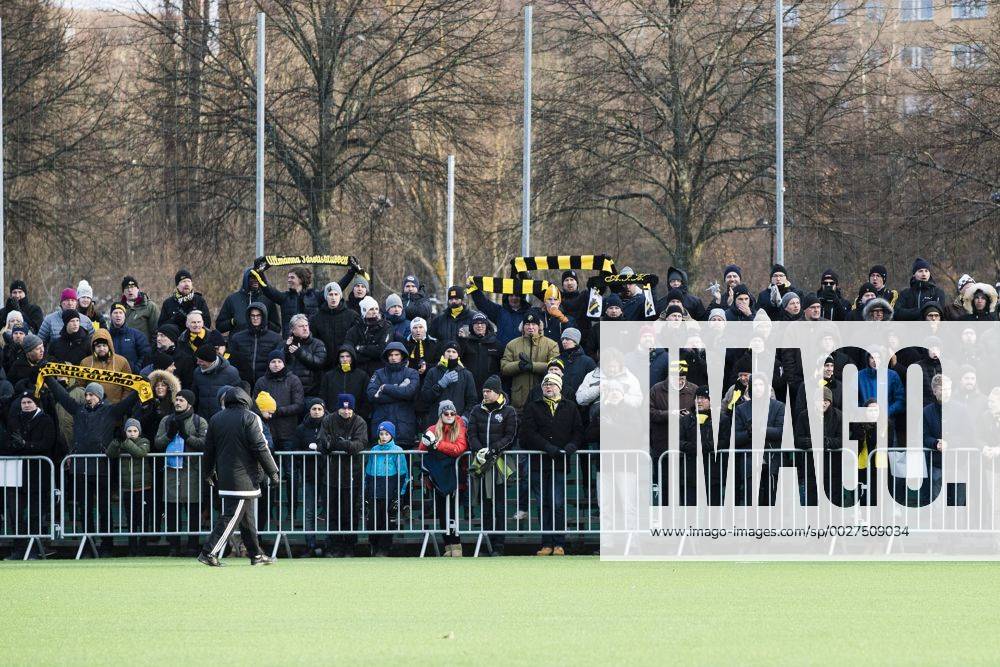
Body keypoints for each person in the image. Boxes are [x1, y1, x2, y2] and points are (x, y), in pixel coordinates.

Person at [46, 378, 141, 555]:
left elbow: (129, 401)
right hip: (81, 467)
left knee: (105, 508)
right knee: (85, 509)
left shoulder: (111, 411)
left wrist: (139, 386)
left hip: (102, 467)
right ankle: (88, 545)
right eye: (87, 394)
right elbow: (62, 395)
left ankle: (107, 546)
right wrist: (48, 378)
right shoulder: (78, 410)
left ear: (99, 396)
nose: (88, 397)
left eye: (91, 394)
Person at [199, 386, 280, 567]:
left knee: (247, 519)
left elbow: (209, 449)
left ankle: (256, 555)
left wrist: (208, 471)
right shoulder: (250, 417)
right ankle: (208, 552)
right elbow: (260, 447)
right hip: (244, 477)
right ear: (246, 401)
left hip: (226, 475)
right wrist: (272, 471)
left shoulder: (216, 418)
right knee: (231, 517)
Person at [521, 373, 583, 556]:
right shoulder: (533, 407)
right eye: (545, 385)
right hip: (540, 463)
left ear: (559, 387)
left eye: (552, 384)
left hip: (560, 462)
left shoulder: (570, 407)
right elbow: (529, 433)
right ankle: (546, 543)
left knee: (557, 503)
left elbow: (578, 431)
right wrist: (547, 447)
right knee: (543, 503)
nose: (548, 387)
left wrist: (572, 445)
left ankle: (559, 543)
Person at [1, 392, 56, 559]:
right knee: (15, 514)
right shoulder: (15, 419)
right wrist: (18, 446)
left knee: (34, 515)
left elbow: (47, 444)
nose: (25, 405)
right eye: (23, 402)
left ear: (36, 404)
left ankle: (34, 549)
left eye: (29, 402)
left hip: (38, 475)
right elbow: (9, 443)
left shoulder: (46, 420)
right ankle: (18, 550)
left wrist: (26, 445)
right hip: (17, 475)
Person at [467, 375, 517, 556]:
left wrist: (494, 450)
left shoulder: (509, 411)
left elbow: (510, 436)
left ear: (498, 392)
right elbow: (471, 433)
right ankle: (486, 545)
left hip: (500, 463)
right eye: (484, 391)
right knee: (486, 505)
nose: (485, 394)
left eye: (488, 391)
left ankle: (499, 546)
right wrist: (481, 451)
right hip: (481, 463)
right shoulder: (476, 410)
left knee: (500, 505)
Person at [153, 388, 207, 556]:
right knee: (171, 512)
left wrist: (185, 436)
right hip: (171, 472)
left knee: (193, 512)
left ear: (189, 403)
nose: (177, 403)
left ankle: (192, 546)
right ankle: (173, 546)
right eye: (176, 400)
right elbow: (157, 443)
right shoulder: (166, 420)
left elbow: (204, 443)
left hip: (192, 472)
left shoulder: (200, 421)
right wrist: (169, 435)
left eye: (181, 400)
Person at [317, 393, 367, 557]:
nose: (346, 411)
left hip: (352, 475)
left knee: (350, 513)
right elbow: (322, 443)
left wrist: (342, 444)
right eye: (343, 408)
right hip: (331, 475)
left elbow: (360, 444)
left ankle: (350, 546)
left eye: (349, 409)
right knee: (332, 513)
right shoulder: (328, 420)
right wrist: (332, 444)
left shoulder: (359, 422)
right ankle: (334, 547)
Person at [417, 399, 468, 557]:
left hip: (454, 476)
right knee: (441, 511)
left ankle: (456, 545)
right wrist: (427, 443)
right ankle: (447, 546)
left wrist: (437, 445)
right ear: (440, 414)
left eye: (453, 413)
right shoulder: (432, 429)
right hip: (437, 477)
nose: (450, 415)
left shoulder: (459, 428)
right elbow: (421, 450)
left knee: (452, 511)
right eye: (446, 413)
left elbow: (460, 448)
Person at [107, 418, 152, 555]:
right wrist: (116, 441)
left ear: (139, 432)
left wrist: (125, 442)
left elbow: (140, 453)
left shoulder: (144, 441)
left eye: (135, 431)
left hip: (143, 487)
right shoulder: (122, 443)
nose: (132, 433)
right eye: (129, 431)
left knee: (143, 519)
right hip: (127, 488)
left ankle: (143, 548)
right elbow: (110, 453)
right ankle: (132, 548)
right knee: (131, 519)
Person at [364, 421, 409, 557]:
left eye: (387, 434)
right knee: (372, 520)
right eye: (381, 434)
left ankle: (384, 548)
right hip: (375, 488)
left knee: (387, 520)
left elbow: (403, 474)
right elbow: (368, 471)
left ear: (392, 436)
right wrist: (366, 490)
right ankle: (373, 545)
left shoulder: (398, 451)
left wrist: (399, 495)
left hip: (390, 489)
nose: (383, 437)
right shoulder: (374, 450)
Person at [500, 309, 559, 411]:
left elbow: (555, 368)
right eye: (527, 324)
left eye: (533, 324)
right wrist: (519, 365)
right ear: (523, 327)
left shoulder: (551, 345)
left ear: (539, 326)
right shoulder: (512, 344)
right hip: (519, 400)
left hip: (544, 399)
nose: (530, 327)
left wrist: (533, 366)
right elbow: (504, 367)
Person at [366, 342, 420, 448]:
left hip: (404, 429)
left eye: (396, 355)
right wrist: (399, 392)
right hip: (381, 429)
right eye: (390, 355)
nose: (393, 357)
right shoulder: (378, 373)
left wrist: (386, 388)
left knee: (404, 464)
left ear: (402, 356)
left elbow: (409, 392)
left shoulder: (412, 373)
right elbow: (372, 395)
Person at [253, 349, 304, 452]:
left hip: (288, 431)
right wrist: (261, 413)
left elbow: (299, 405)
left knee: (289, 465)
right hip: (267, 431)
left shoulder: (293, 380)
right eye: (273, 362)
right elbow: (253, 405)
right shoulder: (261, 382)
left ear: (284, 363)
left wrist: (277, 411)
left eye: (279, 361)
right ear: (268, 364)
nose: (276, 365)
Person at [419, 341, 478, 427]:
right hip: (435, 422)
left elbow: (472, 401)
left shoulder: (466, 374)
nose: (451, 354)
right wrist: (439, 385)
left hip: (457, 423)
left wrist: (465, 418)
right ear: (443, 353)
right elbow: (425, 397)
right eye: (448, 351)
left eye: (454, 352)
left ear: (458, 355)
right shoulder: (433, 371)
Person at [228, 302, 283, 386]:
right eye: (252, 316)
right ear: (248, 317)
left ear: (264, 317)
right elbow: (232, 363)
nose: (255, 318)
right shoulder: (237, 338)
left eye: (258, 315)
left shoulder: (276, 338)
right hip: (242, 384)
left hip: (267, 383)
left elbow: (278, 364)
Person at [258, 265, 323, 333]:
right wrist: (260, 272)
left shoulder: (315, 296)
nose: (289, 280)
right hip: (290, 339)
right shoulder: (284, 298)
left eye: (292, 277)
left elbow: (331, 294)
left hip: (311, 340)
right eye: (288, 277)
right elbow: (268, 289)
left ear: (301, 279)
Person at [216, 269, 281, 334]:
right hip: (238, 342)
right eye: (252, 277)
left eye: (258, 277)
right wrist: (233, 321)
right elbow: (219, 327)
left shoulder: (268, 299)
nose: (256, 280)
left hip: (262, 342)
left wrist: (264, 321)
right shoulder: (232, 299)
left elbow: (277, 329)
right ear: (246, 279)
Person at [309, 282, 361, 363]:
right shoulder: (316, 318)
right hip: (325, 363)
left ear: (340, 296)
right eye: (330, 294)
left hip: (346, 361)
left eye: (336, 294)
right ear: (326, 297)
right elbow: (313, 341)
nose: (333, 298)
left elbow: (357, 339)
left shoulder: (352, 316)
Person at [319, 345, 371, 423]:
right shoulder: (329, 376)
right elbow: (323, 396)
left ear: (352, 358)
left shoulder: (362, 376)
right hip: (333, 418)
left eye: (348, 356)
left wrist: (360, 416)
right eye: (342, 357)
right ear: (338, 359)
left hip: (356, 419)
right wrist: (328, 415)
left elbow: (367, 398)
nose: (345, 359)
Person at [344, 296, 394, 377]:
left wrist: (361, 348)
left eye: (376, 309)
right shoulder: (355, 329)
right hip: (358, 371)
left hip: (379, 372)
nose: (374, 312)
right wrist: (370, 352)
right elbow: (348, 350)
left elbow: (382, 350)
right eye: (371, 309)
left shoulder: (386, 327)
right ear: (364, 311)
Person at [79, 329, 133, 403]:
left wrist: (122, 405)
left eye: (104, 345)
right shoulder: (85, 363)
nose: (101, 349)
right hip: (93, 408)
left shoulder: (122, 361)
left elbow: (128, 387)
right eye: (98, 346)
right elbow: (80, 386)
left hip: (115, 407)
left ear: (109, 346)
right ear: (94, 348)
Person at [281, 314, 328, 397]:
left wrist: (300, 353)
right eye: (301, 326)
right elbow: (279, 365)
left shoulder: (318, 344)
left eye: (306, 325)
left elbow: (319, 363)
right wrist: (286, 350)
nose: (305, 328)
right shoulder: (286, 344)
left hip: (311, 392)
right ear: (293, 330)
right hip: (289, 392)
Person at [192, 344, 241, 420]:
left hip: (222, 419)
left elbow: (237, 398)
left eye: (201, 361)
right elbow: (195, 396)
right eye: (197, 359)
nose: (197, 363)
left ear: (211, 361)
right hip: (202, 418)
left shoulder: (231, 373)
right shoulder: (197, 372)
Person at [458, 312, 502, 395]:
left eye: (482, 323)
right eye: (476, 323)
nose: (479, 326)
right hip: (469, 388)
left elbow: (502, 368)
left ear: (487, 326)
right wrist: (462, 340)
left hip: (490, 389)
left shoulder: (496, 344)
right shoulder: (465, 343)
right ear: (472, 326)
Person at [107, 302, 152, 373]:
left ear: (125, 316)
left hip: (132, 376)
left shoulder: (136, 335)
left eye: (120, 313)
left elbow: (145, 354)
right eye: (115, 313)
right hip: (111, 376)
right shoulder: (106, 335)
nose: (118, 315)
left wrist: (136, 368)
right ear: (111, 316)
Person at [557, 328, 596, 402]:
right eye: (563, 339)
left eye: (567, 339)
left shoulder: (588, 361)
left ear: (575, 342)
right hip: (559, 402)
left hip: (580, 405)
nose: (564, 342)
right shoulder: (556, 360)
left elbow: (593, 385)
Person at [119, 276, 160, 341]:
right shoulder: (118, 308)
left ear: (138, 289)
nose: (130, 290)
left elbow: (156, 332)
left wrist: (151, 349)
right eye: (126, 288)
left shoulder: (150, 306)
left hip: (143, 348)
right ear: (123, 292)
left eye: (132, 287)